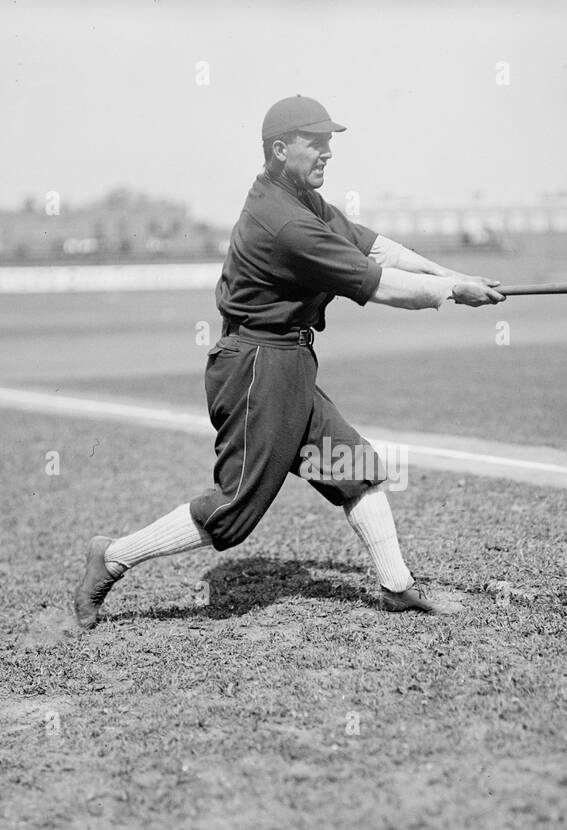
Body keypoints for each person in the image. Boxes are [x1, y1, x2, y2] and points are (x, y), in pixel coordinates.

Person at [73, 95, 506, 628]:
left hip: (290, 360)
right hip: (257, 366)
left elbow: (377, 250)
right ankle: (111, 557)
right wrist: (450, 292)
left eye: (330, 142)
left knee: (354, 467)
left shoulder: (303, 201)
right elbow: (382, 286)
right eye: (316, 142)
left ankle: (398, 588)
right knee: (233, 512)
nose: (328, 152)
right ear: (280, 150)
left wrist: (454, 277)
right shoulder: (283, 222)